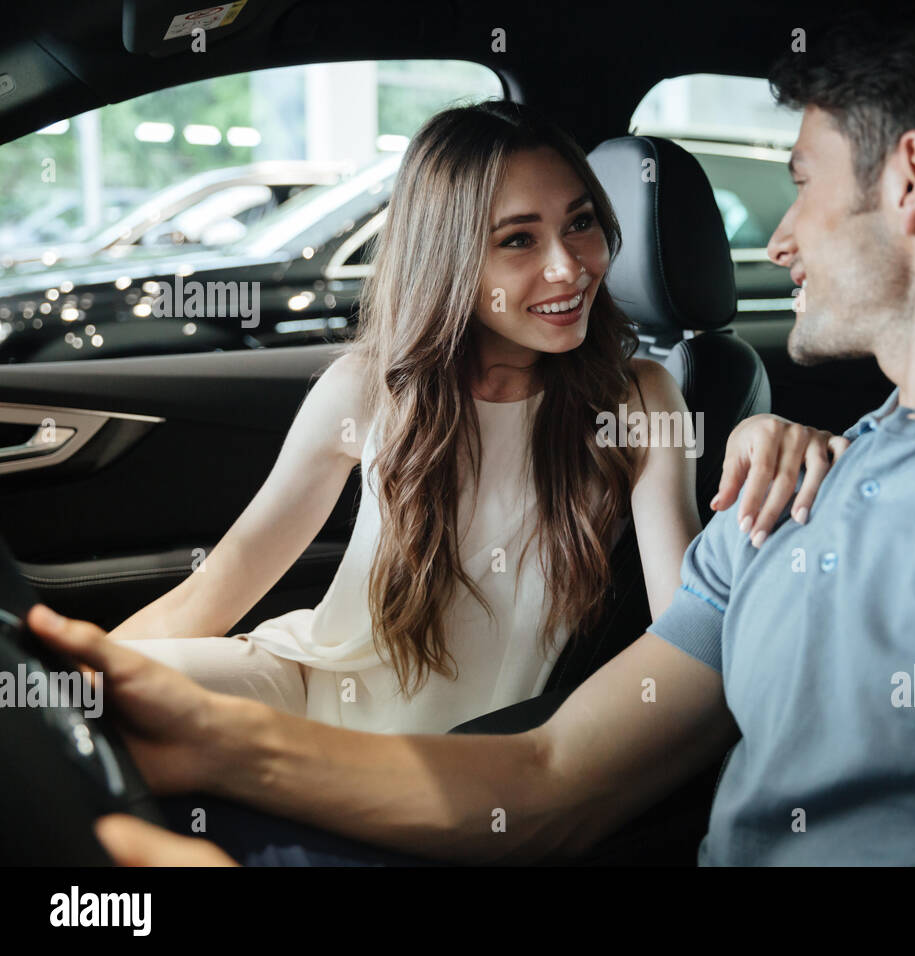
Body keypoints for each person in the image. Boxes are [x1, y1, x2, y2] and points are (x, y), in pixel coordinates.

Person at [30, 1, 915, 866]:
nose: (777, 238)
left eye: (797, 182)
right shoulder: (789, 497)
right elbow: (547, 787)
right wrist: (214, 735)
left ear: (909, 180)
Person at [104, 101, 714, 734]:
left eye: (580, 222)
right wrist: (67, 673)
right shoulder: (365, 390)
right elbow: (215, 591)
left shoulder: (639, 400)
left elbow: (688, 631)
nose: (568, 266)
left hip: (475, 751)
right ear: (448, 257)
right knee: (78, 706)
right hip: (304, 688)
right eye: (518, 239)